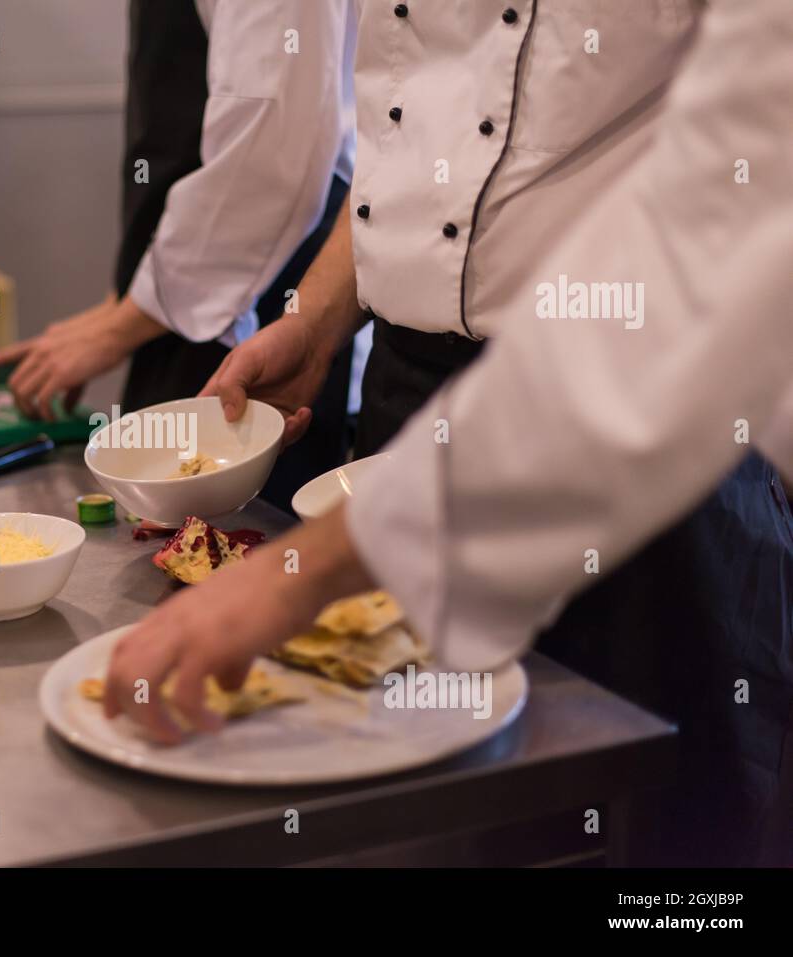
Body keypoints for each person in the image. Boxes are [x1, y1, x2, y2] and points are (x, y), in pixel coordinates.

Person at [105, 0, 793, 865]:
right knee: (439, 833)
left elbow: (709, 237)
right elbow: (421, 152)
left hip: (658, 445)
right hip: (408, 410)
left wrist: (302, 570)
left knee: (672, 873)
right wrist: (317, 320)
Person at [0, 0, 365, 508]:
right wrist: (120, 302)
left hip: (258, 297)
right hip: (186, 296)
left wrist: (123, 323)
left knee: (230, 556)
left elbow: (268, 157)